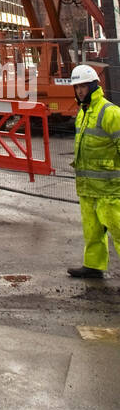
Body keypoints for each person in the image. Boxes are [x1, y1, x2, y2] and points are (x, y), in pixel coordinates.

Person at [66, 63, 120, 280]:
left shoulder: (111, 113)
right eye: (76, 87)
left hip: (109, 189)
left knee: (118, 230)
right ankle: (93, 265)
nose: (79, 91)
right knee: (92, 230)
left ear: (93, 86)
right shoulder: (82, 114)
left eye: (83, 87)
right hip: (88, 188)